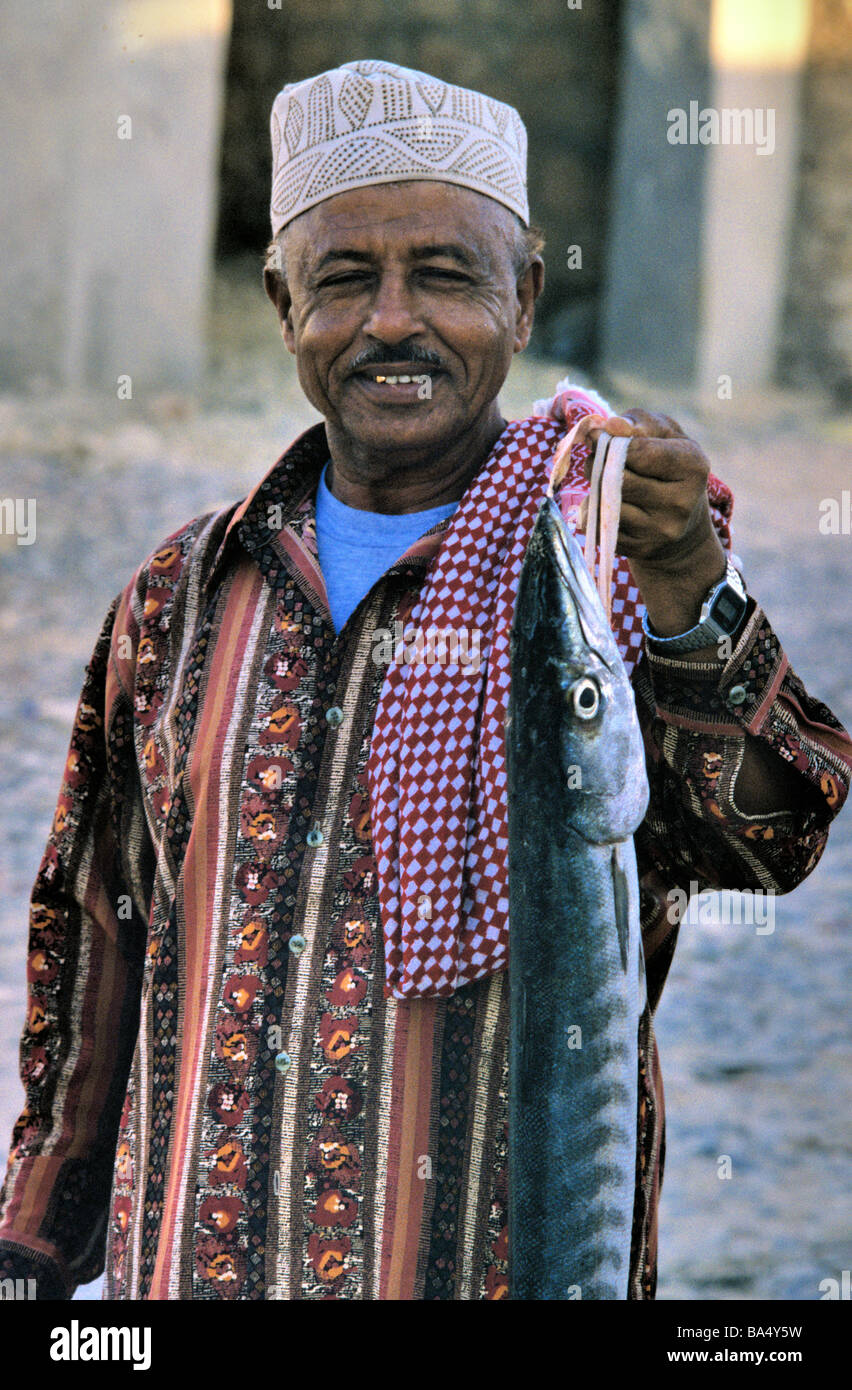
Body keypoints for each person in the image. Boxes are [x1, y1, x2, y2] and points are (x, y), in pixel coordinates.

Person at [0, 58, 849, 1301]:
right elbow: (98, 943)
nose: (392, 320)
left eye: (446, 275)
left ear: (524, 298)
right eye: (344, 279)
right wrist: (30, 1252)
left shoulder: (603, 583)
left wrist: (691, 586)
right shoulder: (179, 596)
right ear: (285, 302)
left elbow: (769, 835)